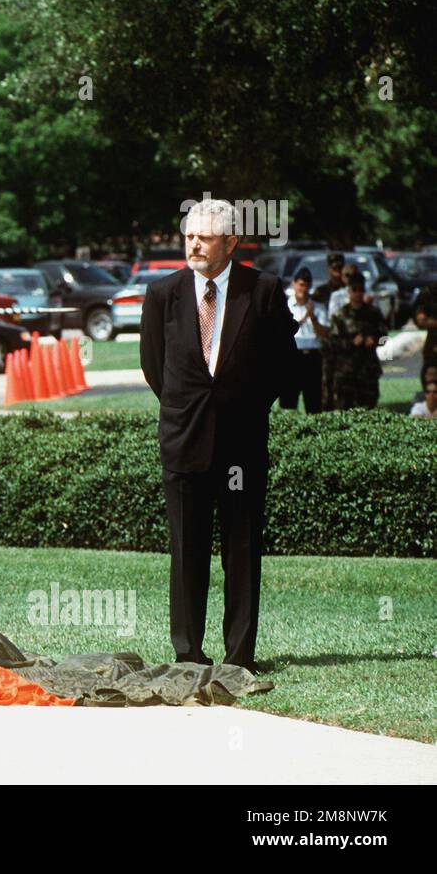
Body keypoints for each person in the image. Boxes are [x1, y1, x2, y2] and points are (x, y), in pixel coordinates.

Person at [140, 198, 297, 674]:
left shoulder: (264, 290)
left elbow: (281, 366)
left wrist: (244, 408)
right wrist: (187, 409)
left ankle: (239, 656)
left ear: (231, 242)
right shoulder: (163, 293)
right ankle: (187, 653)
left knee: (242, 553)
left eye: (204, 237)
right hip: (183, 442)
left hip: (241, 448)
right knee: (186, 553)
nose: (193, 244)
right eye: (189, 235)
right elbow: (154, 367)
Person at [327, 272, 387, 410]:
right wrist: (351, 343)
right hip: (347, 373)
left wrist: (376, 340)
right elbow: (332, 343)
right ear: (349, 291)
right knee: (345, 411)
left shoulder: (374, 313)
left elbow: (385, 337)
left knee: (368, 410)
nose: (358, 293)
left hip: (368, 372)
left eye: (361, 290)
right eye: (355, 290)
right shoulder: (340, 315)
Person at [280, 266, 328, 414]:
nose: (303, 289)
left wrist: (312, 316)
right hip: (291, 355)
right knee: (288, 403)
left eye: (307, 286)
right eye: (301, 285)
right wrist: (305, 316)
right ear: (294, 284)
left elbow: (324, 333)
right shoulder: (285, 306)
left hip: (312, 356)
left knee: (313, 403)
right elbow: (284, 331)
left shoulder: (318, 307)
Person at [314, 252, 346, 409]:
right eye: (335, 268)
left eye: (340, 268)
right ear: (329, 269)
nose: (338, 272)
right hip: (328, 346)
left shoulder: (350, 288)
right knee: (326, 385)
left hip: (346, 347)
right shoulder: (321, 292)